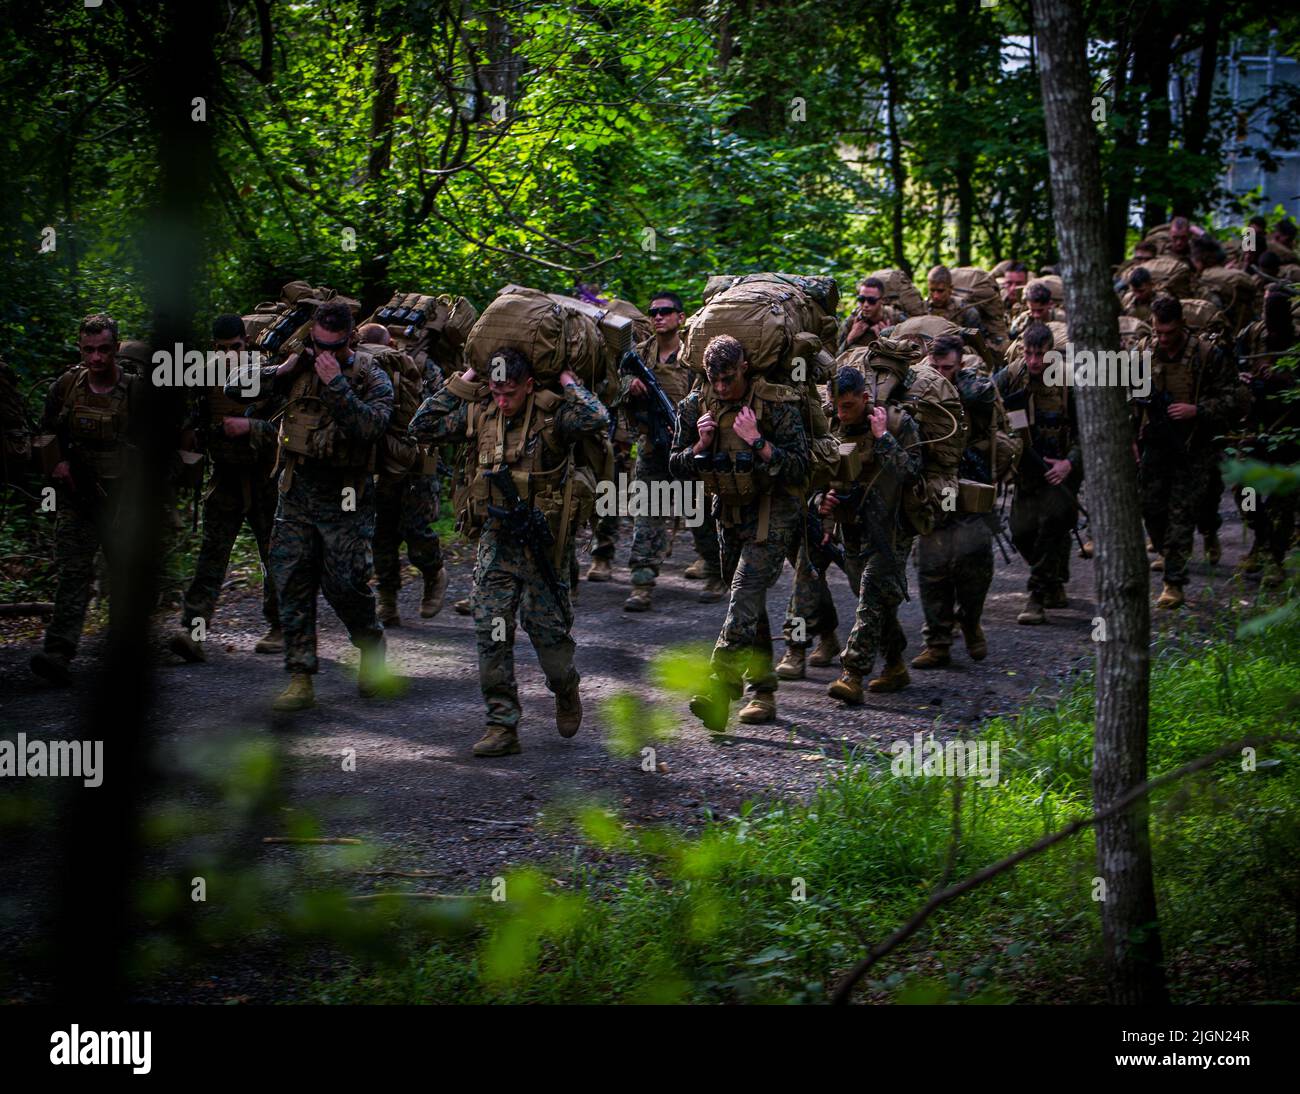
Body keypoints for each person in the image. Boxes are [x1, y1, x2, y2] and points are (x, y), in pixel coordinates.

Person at [409, 349, 609, 757]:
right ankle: (502, 724)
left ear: (530, 385)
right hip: (497, 542)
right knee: (491, 630)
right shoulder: (481, 414)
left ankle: (565, 687)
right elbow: (422, 424)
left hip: (545, 547)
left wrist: (570, 381)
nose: (503, 401)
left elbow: (597, 419)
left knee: (548, 637)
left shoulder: (554, 418)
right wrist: (466, 377)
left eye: (511, 393)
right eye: (496, 391)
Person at [234, 300, 394, 711]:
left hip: (345, 499)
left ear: (351, 339)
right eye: (318, 345)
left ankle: (370, 641)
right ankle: (300, 674)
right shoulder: (298, 369)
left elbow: (372, 427)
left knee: (345, 585)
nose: (325, 354)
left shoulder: (368, 375)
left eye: (334, 347)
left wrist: (337, 385)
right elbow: (234, 386)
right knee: (290, 581)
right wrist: (283, 370)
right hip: (297, 494)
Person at [669, 334, 809, 729]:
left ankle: (720, 687)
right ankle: (763, 689)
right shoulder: (696, 406)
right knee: (749, 603)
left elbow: (800, 467)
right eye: (714, 379)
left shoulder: (776, 405)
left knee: (746, 591)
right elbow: (675, 465)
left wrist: (759, 442)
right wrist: (700, 443)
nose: (721, 387)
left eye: (728, 378)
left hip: (772, 510)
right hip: (727, 512)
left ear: (744, 367)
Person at [31, 314, 145, 685]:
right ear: (80, 349)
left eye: (104, 350)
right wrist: (58, 464)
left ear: (116, 347)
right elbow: (44, 434)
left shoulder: (136, 393)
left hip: (122, 503)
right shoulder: (65, 386)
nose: (96, 358)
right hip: (78, 499)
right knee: (73, 574)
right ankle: (59, 652)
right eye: (88, 350)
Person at [169, 315, 282, 662]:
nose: (230, 355)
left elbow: (290, 427)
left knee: (275, 557)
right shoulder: (204, 376)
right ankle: (194, 634)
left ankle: (281, 628)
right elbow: (194, 423)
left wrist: (252, 427)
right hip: (226, 479)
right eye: (221, 349)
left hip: (267, 479)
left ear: (246, 343)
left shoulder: (271, 374)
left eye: (235, 348)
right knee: (211, 558)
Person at [819, 365, 923, 704]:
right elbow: (818, 474)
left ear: (865, 398)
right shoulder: (833, 425)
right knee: (877, 602)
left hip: (892, 528)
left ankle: (853, 674)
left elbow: (912, 474)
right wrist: (824, 499)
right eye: (836, 405)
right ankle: (895, 664)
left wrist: (882, 438)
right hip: (852, 527)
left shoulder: (895, 423)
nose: (840, 413)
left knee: (871, 593)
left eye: (848, 406)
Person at [912, 335, 1018, 666]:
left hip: (971, 485)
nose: (942, 374)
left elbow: (982, 396)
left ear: (960, 364)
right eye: (936, 368)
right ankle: (938, 641)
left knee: (974, 566)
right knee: (932, 565)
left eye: (949, 368)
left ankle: (970, 621)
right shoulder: (919, 387)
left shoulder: (974, 387)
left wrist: (945, 389)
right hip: (935, 488)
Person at [1135, 296, 1243, 609]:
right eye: (1159, 332)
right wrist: (1132, 437)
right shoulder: (1143, 352)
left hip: (1195, 446)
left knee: (1181, 513)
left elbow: (1235, 398)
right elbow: (1128, 396)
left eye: (1170, 332)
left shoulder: (1208, 356)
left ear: (1182, 325)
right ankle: (1172, 554)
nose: (1164, 339)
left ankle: (1174, 582)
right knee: (1151, 509)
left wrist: (1197, 410)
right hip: (1155, 443)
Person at [623, 291, 718, 609]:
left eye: (666, 311)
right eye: (653, 312)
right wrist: (630, 388)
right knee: (647, 514)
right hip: (652, 446)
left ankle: (716, 572)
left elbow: (707, 396)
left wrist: (687, 429)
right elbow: (615, 389)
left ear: (681, 317)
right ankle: (641, 583)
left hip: (688, 445)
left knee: (700, 513)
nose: (658, 316)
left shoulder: (694, 357)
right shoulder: (639, 355)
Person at [356, 322, 448, 627]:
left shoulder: (421, 367)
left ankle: (435, 574)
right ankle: (388, 600)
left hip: (416, 462)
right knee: (381, 534)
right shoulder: (359, 368)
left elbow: (440, 407)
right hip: (378, 462)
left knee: (415, 528)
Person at [994, 322, 1082, 624]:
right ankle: (1054, 579)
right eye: (1028, 353)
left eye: (1039, 354)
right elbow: (988, 397)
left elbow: (1088, 431)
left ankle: (1036, 595)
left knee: (1051, 526)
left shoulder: (1069, 381)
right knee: (1021, 532)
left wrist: (1069, 463)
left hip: (1061, 469)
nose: (1033, 361)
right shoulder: (1013, 375)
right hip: (1027, 467)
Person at [1234, 284, 1298, 586]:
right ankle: (1261, 538)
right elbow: (1230, 359)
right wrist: (1242, 375)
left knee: (1283, 498)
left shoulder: (1297, 340)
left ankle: (1275, 558)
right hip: (1257, 425)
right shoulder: (1252, 334)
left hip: (1290, 428)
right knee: (1243, 489)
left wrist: (1283, 380)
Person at [839, 277, 904, 350]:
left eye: (871, 300)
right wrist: (850, 338)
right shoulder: (851, 321)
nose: (865, 305)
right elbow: (836, 356)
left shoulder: (896, 318)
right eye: (861, 299)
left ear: (882, 300)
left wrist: (888, 340)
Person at [926, 265, 982, 330]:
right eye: (932, 290)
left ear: (950, 289)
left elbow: (976, 337)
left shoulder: (967, 312)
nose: (935, 296)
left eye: (940, 291)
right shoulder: (922, 310)